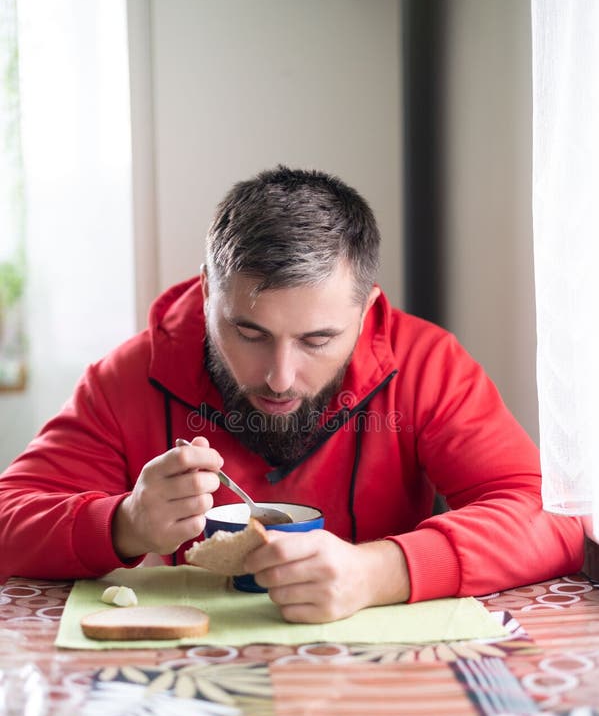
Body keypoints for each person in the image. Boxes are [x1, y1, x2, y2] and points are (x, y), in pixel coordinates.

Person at [0, 167, 584, 622]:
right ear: (207, 295)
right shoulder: (126, 377)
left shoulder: (427, 364)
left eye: (317, 339)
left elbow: (553, 514)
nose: (280, 377)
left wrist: (380, 572)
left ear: (367, 310)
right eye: (249, 333)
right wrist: (123, 522)